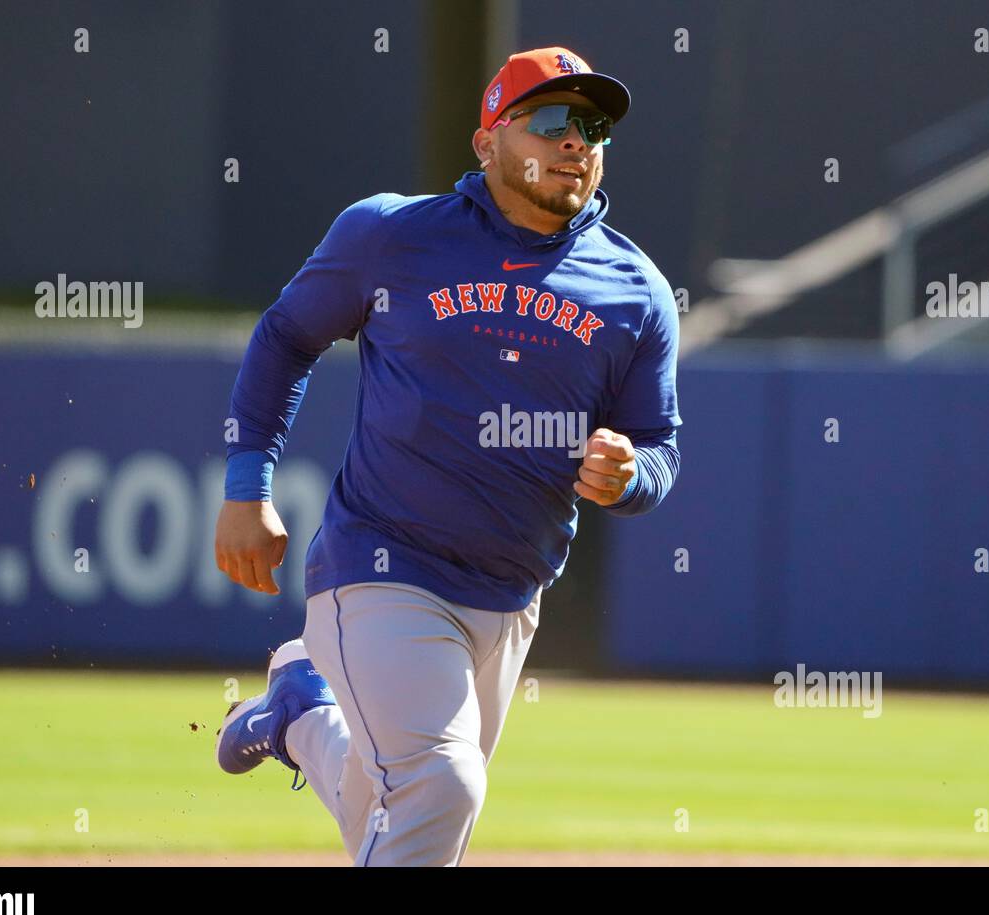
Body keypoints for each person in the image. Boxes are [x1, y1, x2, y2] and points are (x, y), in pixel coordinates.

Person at [213, 46, 681, 866]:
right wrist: (248, 486)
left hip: (509, 594)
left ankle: (298, 717)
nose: (577, 141)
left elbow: (659, 448)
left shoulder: (635, 290)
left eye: (594, 125)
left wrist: (631, 473)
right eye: (552, 120)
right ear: (488, 141)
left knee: (386, 814)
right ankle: (306, 711)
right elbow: (286, 335)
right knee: (444, 787)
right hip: (381, 567)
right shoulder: (391, 235)